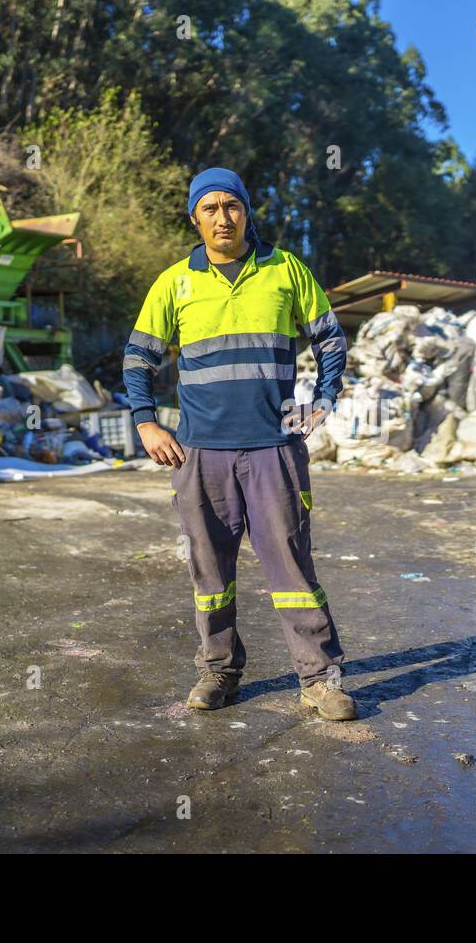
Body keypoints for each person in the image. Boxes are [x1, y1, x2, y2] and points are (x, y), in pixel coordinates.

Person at [122, 167, 355, 721]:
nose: (223, 217)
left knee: (293, 569)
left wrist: (323, 401)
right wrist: (146, 423)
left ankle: (321, 680)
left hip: (273, 449)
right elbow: (139, 359)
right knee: (210, 571)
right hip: (200, 453)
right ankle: (218, 672)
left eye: (233, 206)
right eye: (211, 208)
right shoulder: (174, 281)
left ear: (247, 211)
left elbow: (329, 338)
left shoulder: (284, 270)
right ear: (195, 218)